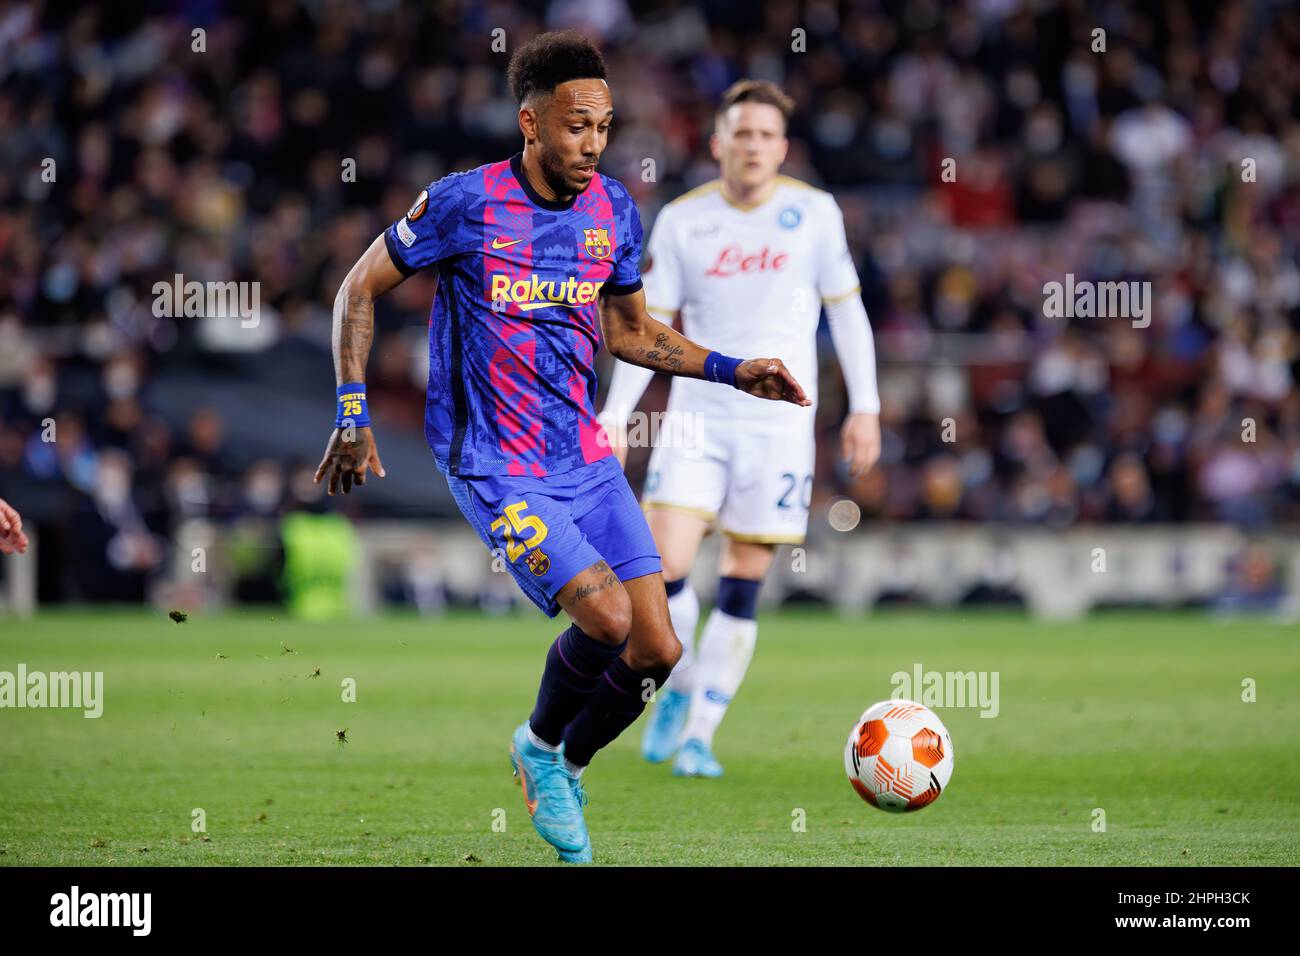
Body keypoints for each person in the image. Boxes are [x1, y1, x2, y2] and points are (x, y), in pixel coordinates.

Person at [312, 32, 810, 863]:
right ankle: (539, 743)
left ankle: (558, 761)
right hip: (494, 461)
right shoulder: (465, 203)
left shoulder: (612, 210)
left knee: (658, 648)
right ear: (531, 122)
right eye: (577, 126)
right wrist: (354, 412)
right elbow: (358, 287)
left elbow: (631, 331)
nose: (593, 144)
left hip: (582, 455)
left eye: (605, 127)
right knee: (609, 618)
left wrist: (732, 370)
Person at [602, 80, 882, 777]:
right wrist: (615, 412)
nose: (753, 145)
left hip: (780, 426)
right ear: (717, 143)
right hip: (698, 415)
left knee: (742, 579)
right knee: (662, 568)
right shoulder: (683, 220)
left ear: (781, 148)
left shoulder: (814, 214)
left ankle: (699, 732)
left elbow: (846, 313)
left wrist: (866, 406)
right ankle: (681, 679)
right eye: (742, 133)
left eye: (766, 135)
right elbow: (646, 331)